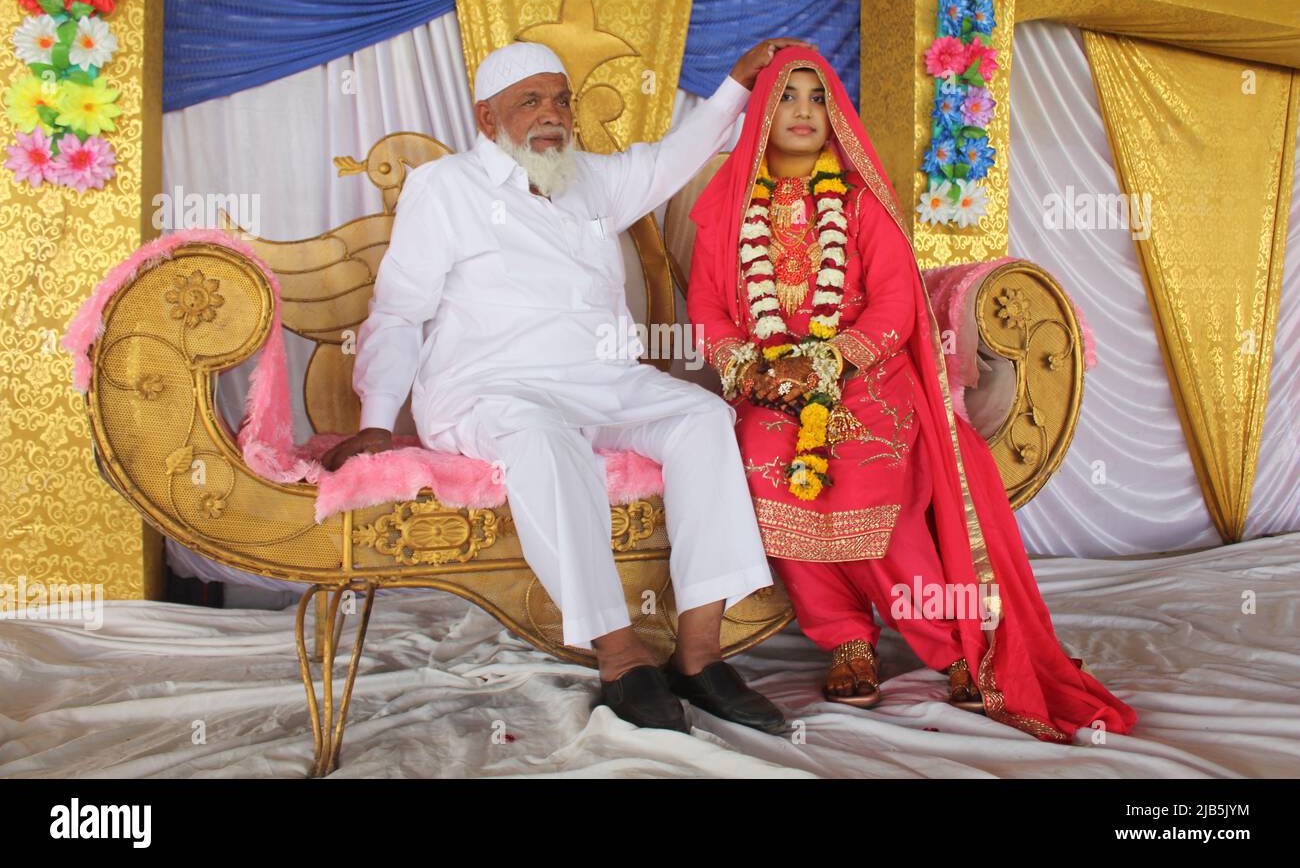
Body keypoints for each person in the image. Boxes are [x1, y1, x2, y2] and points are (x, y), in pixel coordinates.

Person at [321, 39, 815, 735]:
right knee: (545, 443)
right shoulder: (446, 188)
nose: (551, 114)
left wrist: (735, 83)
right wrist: (377, 415)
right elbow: (401, 310)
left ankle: (701, 655)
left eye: (560, 99)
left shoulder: (588, 179)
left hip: (601, 380)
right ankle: (621, 657)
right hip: (491, 389)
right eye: (531, 101)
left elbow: (673, 158)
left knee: (703, 417)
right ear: (487, 117)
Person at [686, 45, 1138, 742]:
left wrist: (832, 359)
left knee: (871, 473)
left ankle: (953, 643)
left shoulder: (863, 205)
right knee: (766, 456)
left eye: (817, 98)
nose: (803, 112)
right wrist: (750, 368)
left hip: (867, 379)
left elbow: (895, 308)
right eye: (786, 97)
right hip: (772, 386)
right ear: (760, 114)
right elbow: (708, 309)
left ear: (836, 114)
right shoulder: (729, 211)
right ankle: (845, 640)